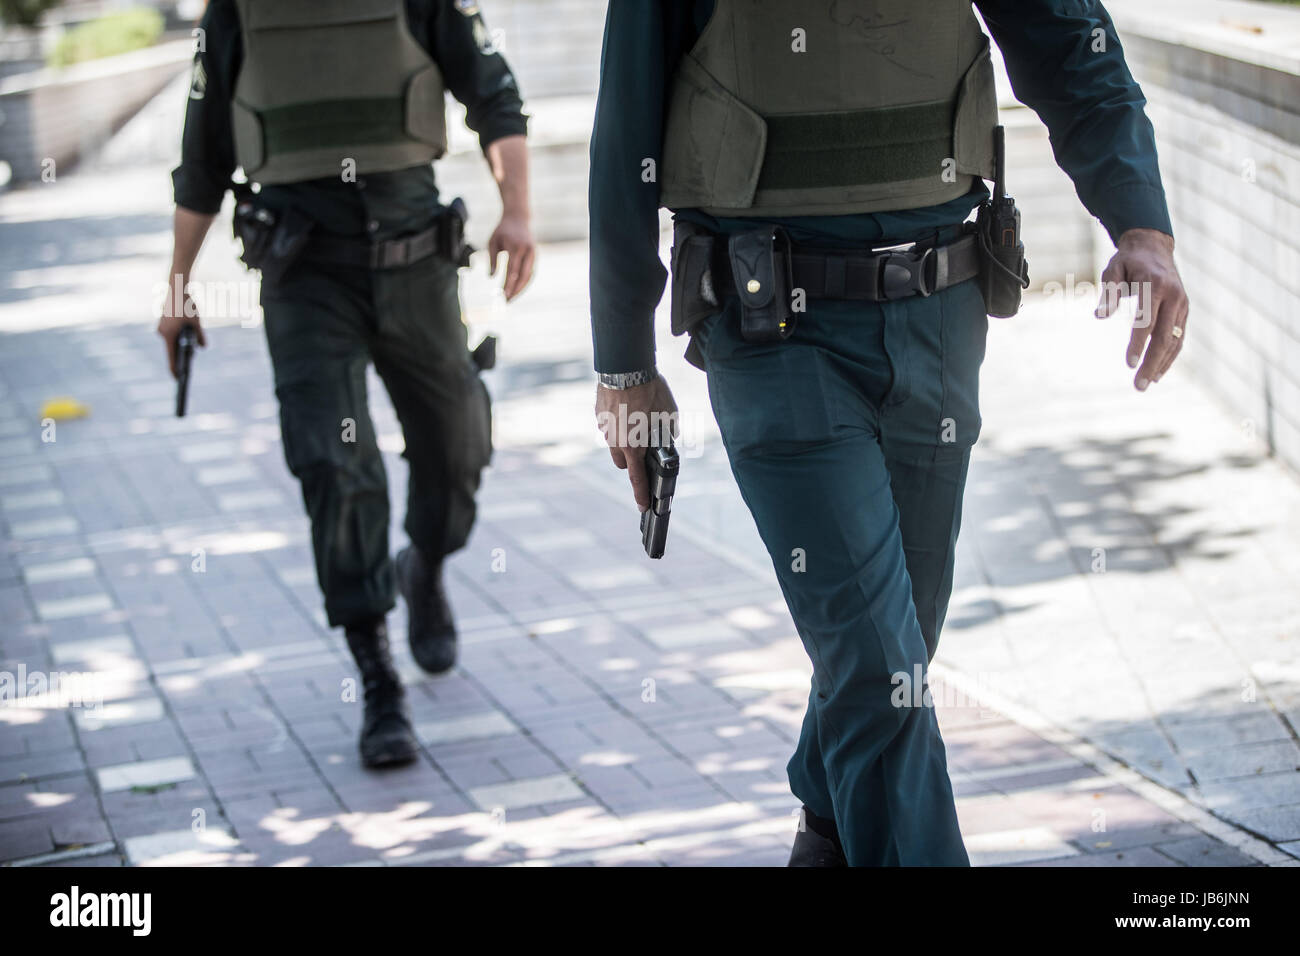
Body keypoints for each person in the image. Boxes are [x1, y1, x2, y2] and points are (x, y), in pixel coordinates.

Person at [588, 0, 1189, 865]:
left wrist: (1143, 224)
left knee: (897, 643)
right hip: (770, 327)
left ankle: (826, 841)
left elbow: (1071, 44)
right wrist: (624, 368)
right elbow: (626, 132)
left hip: (939, 311)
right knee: (880, 671)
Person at [159, 0, 535, 769]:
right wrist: (176, 284)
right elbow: (203, 156)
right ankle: (377, 675)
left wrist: (519, 211)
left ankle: (425, 560)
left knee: (457, 441)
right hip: (304, 274)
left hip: (416, 261)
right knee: (336, 462)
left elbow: (493, 93)